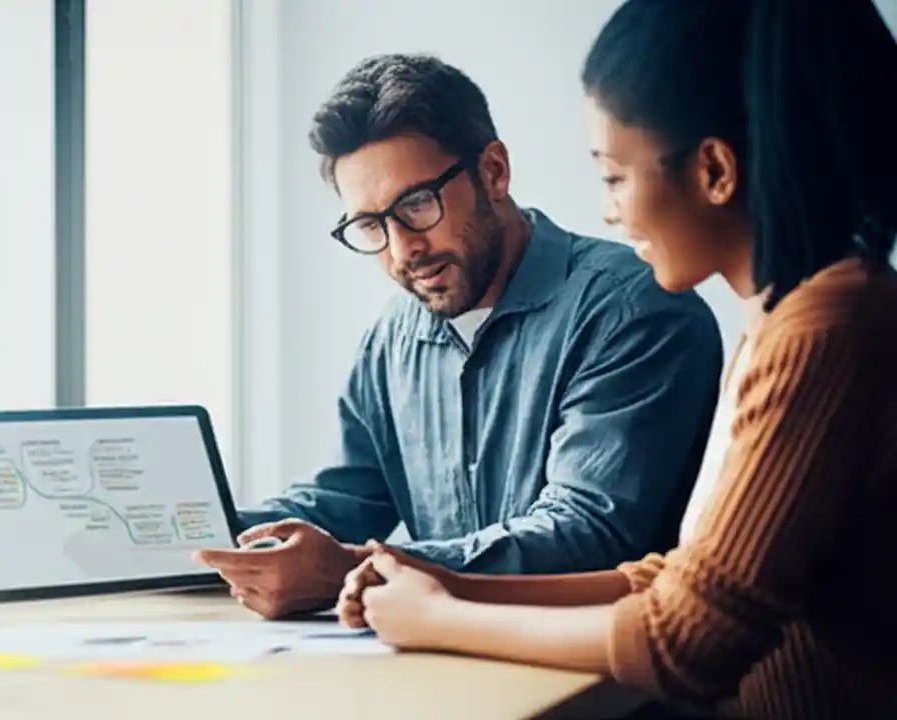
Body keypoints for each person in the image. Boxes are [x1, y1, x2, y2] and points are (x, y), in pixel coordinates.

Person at [338, 0, 897, 717]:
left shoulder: (823, 332)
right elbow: (682, 580)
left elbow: (688, 639)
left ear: (715, 170)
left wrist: (442, 620)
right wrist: (451, 585)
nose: (609, 212)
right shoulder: (787, 323)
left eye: (612, 177)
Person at [194, 53, 723, 619]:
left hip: (604, 688)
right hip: (448, 664)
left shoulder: (631, 308)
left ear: (494, 171)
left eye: (417, 204)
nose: (402, 251)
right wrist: (193, 536)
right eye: (371, 226)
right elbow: (346, 497)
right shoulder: (392, 338)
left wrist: (352, 571)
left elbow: (587, 535)